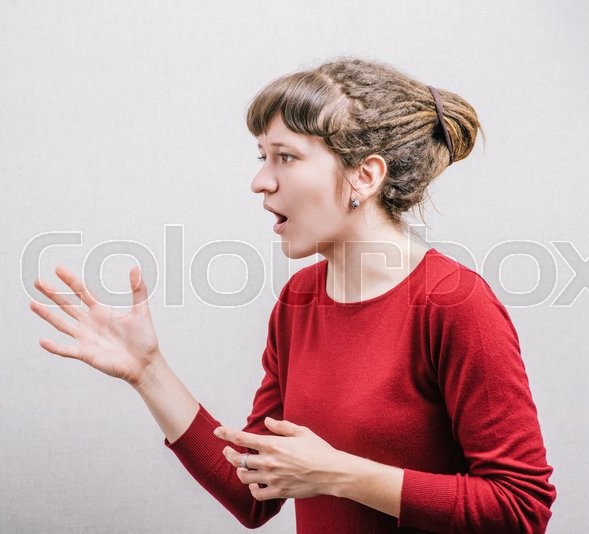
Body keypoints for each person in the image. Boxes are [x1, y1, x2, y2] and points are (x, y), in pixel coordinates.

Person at [30, 57, 556, 533]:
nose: (260, 181)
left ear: (364, 176)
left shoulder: (454, 303)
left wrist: (339, 474)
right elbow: (253, 491)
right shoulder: (299, 302)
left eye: (285, 157)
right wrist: (148, 371)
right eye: (262, 156)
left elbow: (521, 507)